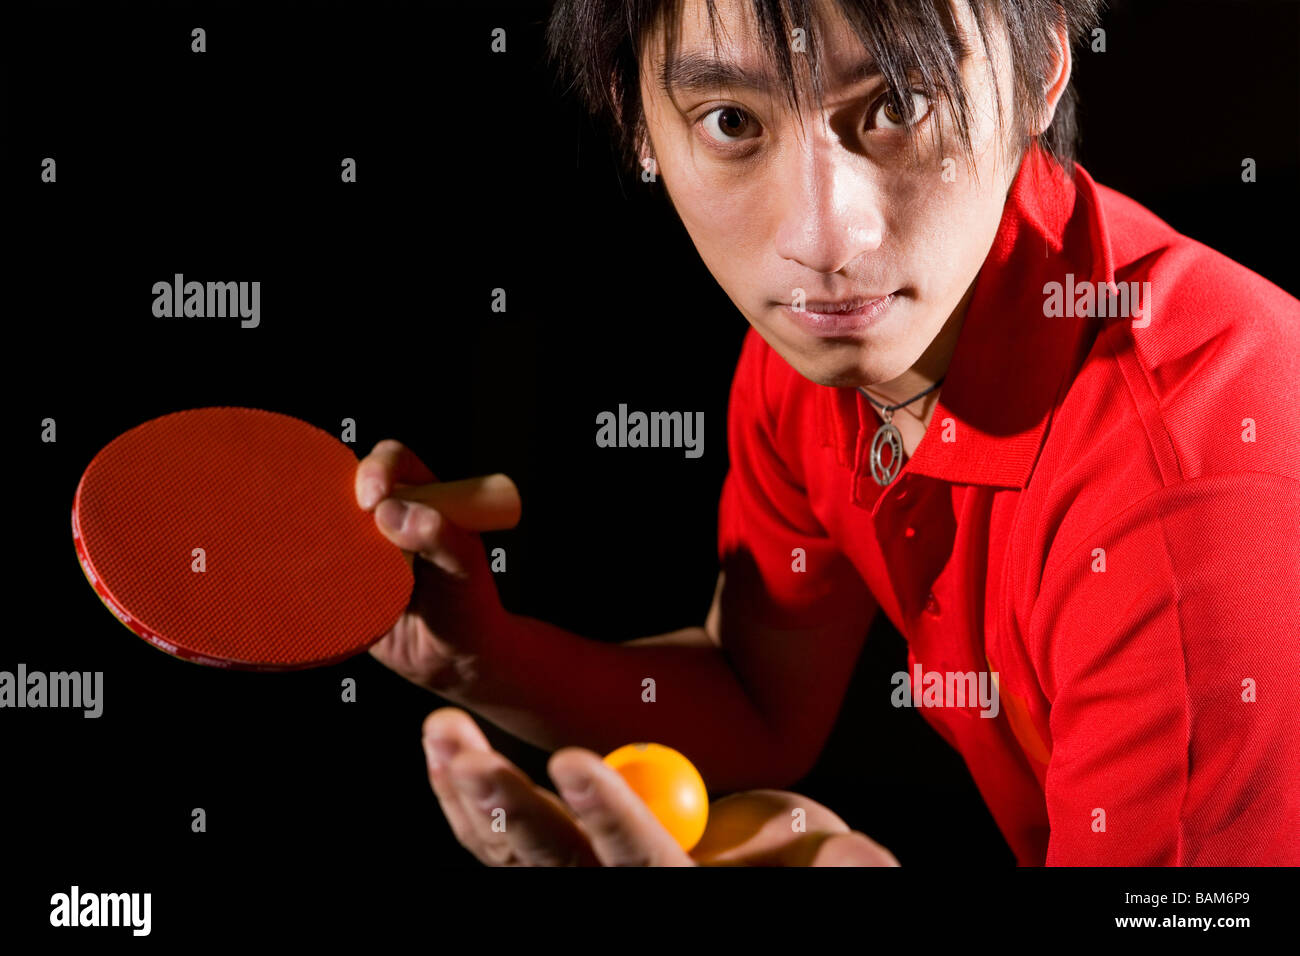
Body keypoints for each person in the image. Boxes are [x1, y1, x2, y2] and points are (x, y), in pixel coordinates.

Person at [354, 0, 1300, 866]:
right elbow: (759, 701)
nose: (823, 240)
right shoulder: (824, 353)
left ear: (1042, 66)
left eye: (897, 104)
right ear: (632, 113)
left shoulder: (1190, 495)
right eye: (732, 121)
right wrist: (482, 654)